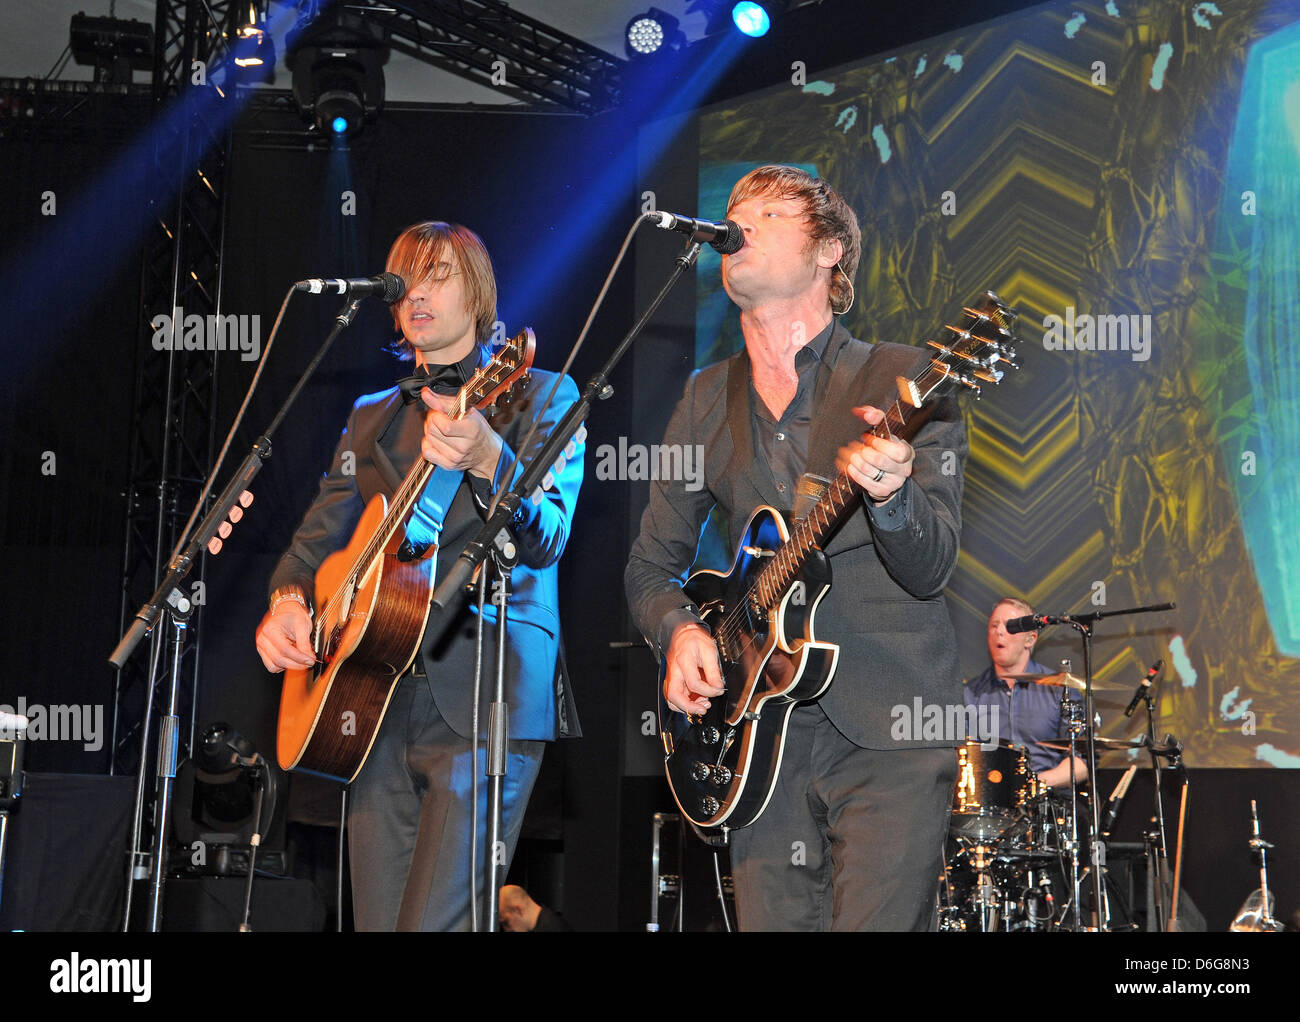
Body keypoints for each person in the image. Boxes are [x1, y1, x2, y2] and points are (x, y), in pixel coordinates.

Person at [625, 165, 967, 931]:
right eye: (736, 211)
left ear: (830, 251)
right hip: (756, 737)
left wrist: (892, 496)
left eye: (771, 212)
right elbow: (652, 564)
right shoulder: (703, 398)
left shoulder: (905, 376)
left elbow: (932, 563)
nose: (740, 222)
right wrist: (680, 631)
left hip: (891, 719)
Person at [254, 221, 582, 930]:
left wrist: (490, 456)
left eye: (437, 276)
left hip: (486, 696)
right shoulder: (372, 416)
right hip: (371, 702)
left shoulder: (543, 396)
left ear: (480, 293)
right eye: (403, 281)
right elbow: (313, 545)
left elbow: (549, 537)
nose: (416, 294)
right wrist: (285, 603)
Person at [964, 597, 1088, 787]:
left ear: (1030, 639)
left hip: (1046, 801)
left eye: (1009, 626)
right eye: (994, 626)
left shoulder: (1060, 690)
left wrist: (1033, 785)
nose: (999, 632)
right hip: (991, 801)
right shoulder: (970, 695)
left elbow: (1082, 762)